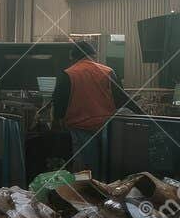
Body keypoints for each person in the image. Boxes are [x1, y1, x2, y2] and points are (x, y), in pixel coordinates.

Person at [52, 39, 136, 177]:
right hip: (107, 129)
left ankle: (84, 195)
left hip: (80, 130)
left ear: (73, 57)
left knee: (84, 172)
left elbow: (59, 103)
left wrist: (57, 122)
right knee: (108, 169)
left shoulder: (68, 73)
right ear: (93, 55)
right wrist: (142, 114)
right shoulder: (108, 71)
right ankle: (107, 192)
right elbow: (121, 99)